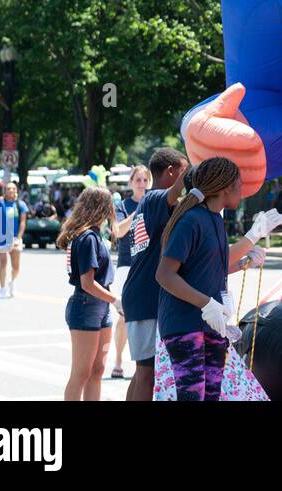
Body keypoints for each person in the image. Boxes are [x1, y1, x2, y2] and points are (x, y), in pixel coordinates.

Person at [155, 157, 275, 401]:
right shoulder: (191, 220)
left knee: (211, 396)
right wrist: (207, 304)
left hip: (213, 325)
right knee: (192, 397)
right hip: (184, 324)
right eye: (239, 185)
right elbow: (164, 274)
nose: (243, 191)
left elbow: (209, 266)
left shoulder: (216, 220)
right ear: (224, 187)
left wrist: (244, 263)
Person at [120, 148, 189, 401]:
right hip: (145, 297)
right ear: (171, 171)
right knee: (147, 374)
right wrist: (200, 161)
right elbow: (175, 192)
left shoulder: (150, 203)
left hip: (142, 295)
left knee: (143, 373)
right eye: (183, 172)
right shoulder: (156, 198)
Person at [59, 186, 118, 401]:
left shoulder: (93, 235)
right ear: (101, 207)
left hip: (99, 307)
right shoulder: (87, 238)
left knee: (97, 370)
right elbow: (87, 283)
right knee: (81, 373)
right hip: (87, 305)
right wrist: (116, 300)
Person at [109, 165, 150, 379]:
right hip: (127, 265)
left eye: (145, 180)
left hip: (149, 265)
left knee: (147, 318)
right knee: (125, 316)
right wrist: (139, 210)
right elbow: (118, 231)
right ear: (131, 182)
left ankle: (142, 364)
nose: (141, 184)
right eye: (138, 180)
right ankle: (117, 360)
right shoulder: (122, 205)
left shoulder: (156, 201)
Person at [0, 181, 27, 298]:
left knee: (16, 267)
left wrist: (18, 238)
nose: (11, 190)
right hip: (2, 238)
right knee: (3, 262)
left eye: (13, 188)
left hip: (15, 238)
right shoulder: (0, 203)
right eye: (8, 188)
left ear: (16, 190)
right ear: (5, 191)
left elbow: (23, 222)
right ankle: (2, 288)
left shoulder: (20, 205)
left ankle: (12, 282)